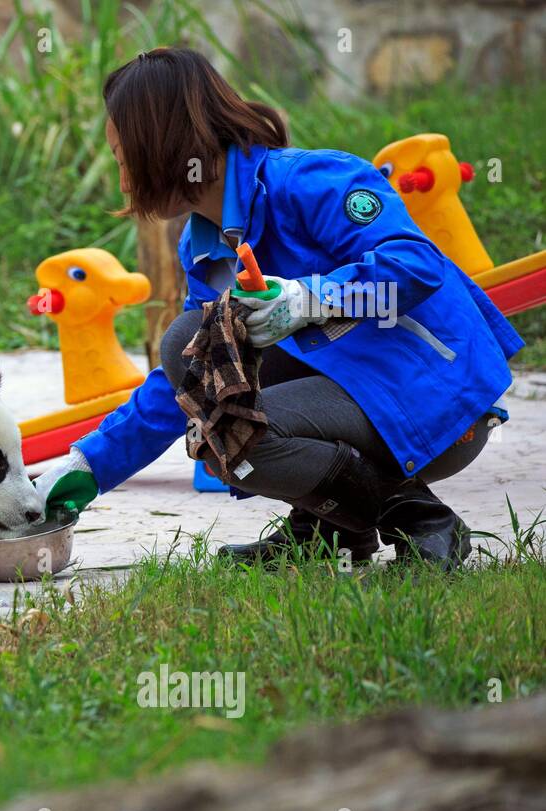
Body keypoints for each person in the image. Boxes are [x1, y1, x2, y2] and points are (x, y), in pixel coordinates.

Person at [33, 47, 523, 568]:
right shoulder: (203, 244)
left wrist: (314, 298)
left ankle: (425, 523)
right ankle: (326, 530)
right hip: (350, 396)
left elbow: (416, 265)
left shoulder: (313, 182)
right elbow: (187, 384)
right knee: (190, 347)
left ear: (162, 144)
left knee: (233, 435)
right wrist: (89, 463)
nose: (123, 179)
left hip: (432, 401)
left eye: (123, 157)